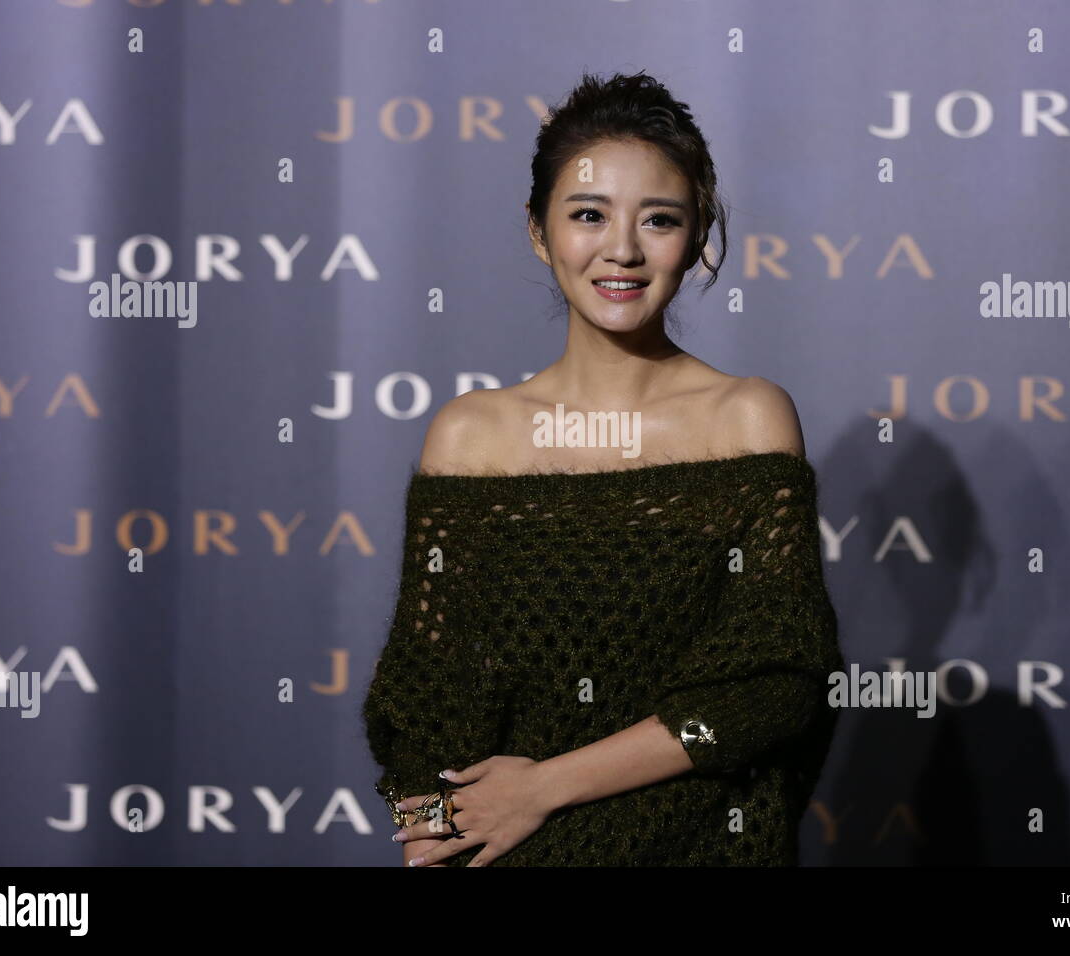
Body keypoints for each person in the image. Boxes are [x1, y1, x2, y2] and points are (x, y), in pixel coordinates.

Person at [361, 70, 843, 866]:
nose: (621, 249)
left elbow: (778, 685)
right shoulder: (471, 435)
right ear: (539, 232)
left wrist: (545, 787)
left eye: (659, 219)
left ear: (695, 240)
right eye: (589, 214)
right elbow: (416, 706)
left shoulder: (747, 419)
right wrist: (433, 832)